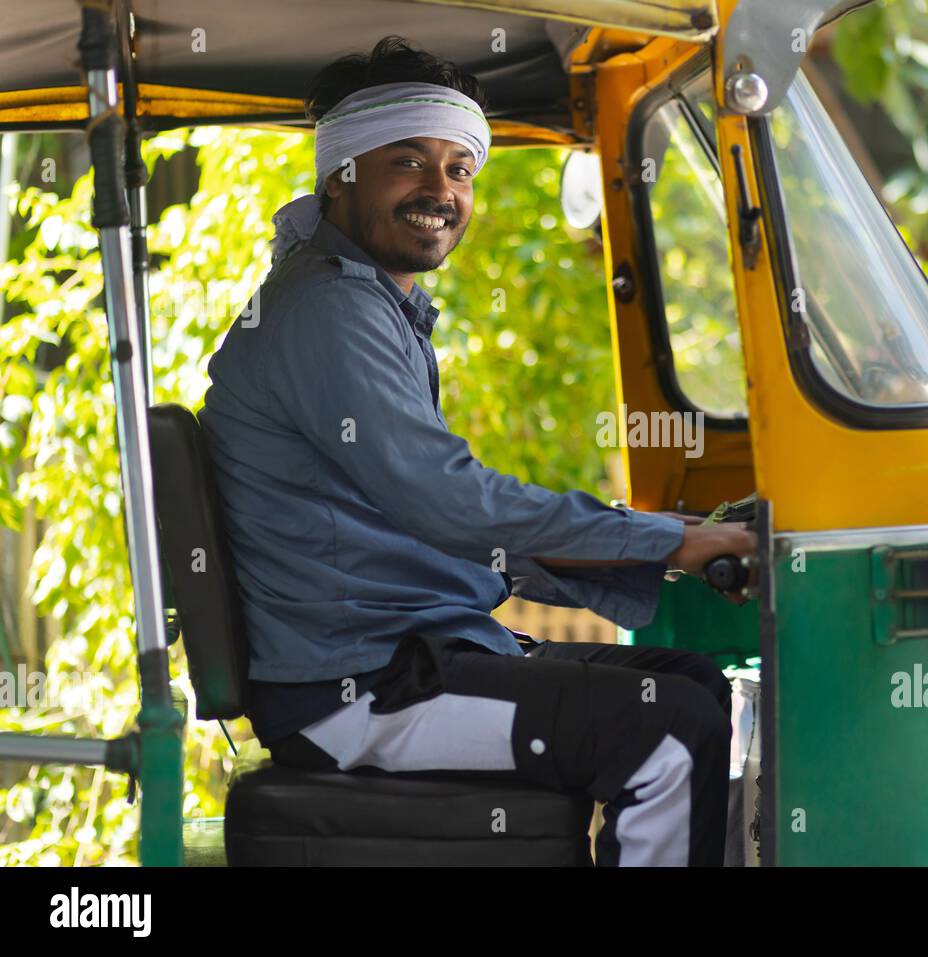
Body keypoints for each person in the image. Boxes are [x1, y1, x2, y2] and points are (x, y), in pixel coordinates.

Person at [197, 36, 757, 866]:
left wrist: (664, 534)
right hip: (358, 694)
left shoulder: (366, 304)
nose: (441, 191)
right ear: (341, 174)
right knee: (671, 730)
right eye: (410, 163)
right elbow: (452, 504)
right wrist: (669, 541)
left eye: (460, 169)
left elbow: (436, 520)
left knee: (694, 681)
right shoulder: (329, 311)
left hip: (409, 654)